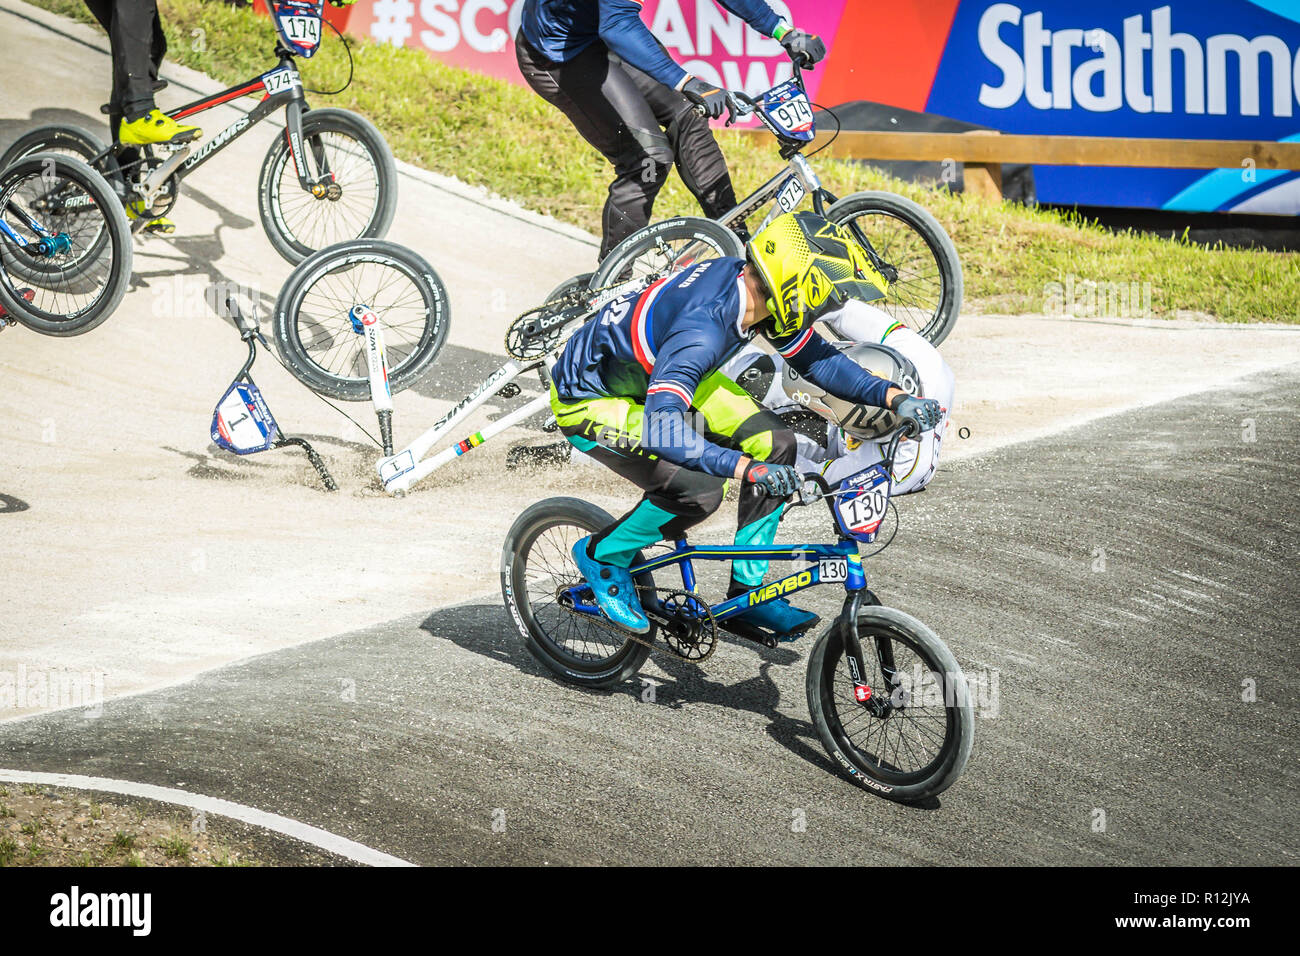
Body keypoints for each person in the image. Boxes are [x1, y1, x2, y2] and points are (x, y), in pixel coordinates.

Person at [548, 212, 943, 642]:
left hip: (659, 373)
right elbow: (664, 429)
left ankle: (747, 592)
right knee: (697, 492)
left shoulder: (758, 292)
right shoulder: (703, 330)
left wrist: (895, 398)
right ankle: (604, 555)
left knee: (775, 442)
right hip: (593, 399)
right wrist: (746, 469)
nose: (829, 305)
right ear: (797, 286)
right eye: (826, 293)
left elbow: (820, 362)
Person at [515, 0, 826, 259]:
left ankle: (734, 239)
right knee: (647, 160)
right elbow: (616, 25)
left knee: (688, 113)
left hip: (603, 36)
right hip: (560, 57)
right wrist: (687, 81)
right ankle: (610, 287)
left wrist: (782, 31)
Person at [722, 299, 956, 495]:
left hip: (843, 443)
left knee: (772, 443)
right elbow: (840, 309)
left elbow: (812, 479)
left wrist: (750, 459)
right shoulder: (922, 357)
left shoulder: (895, 467)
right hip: (850, 409)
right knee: (762, 377)